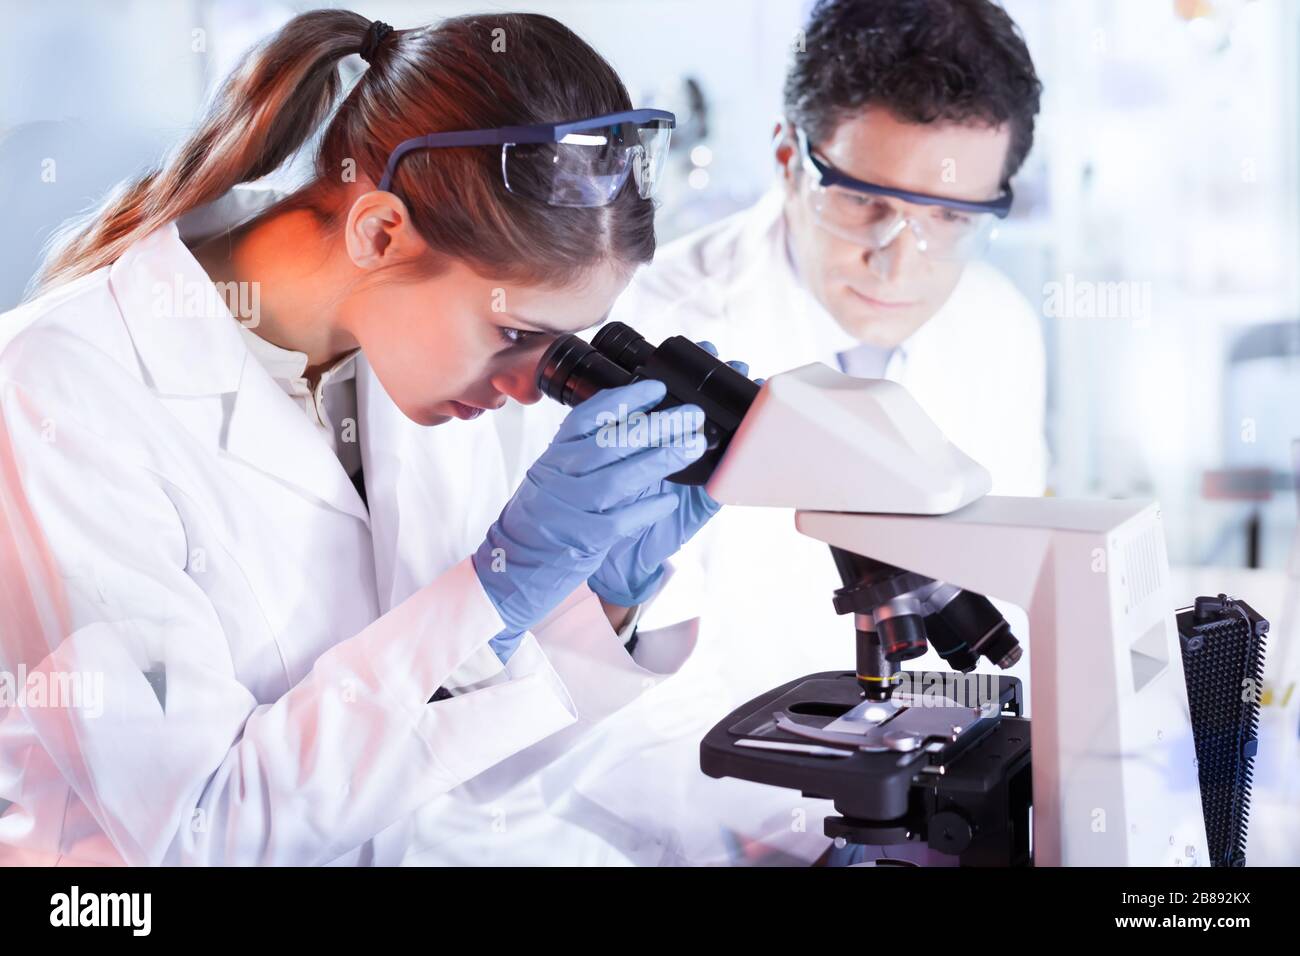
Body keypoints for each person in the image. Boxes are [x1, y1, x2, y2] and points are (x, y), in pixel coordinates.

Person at [0, 10, 735, 866]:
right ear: (380, 231)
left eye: (562, 345)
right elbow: (192, 834)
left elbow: (454, 768)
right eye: (514, 335)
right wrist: (493, 594)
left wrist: (601, 593)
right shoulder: (60, 390)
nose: (533, 385)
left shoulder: (405, 363)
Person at [388, 0, 1049, 865]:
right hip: (691, 830)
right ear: (789, 157)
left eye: (951, 219)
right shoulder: (651, 321)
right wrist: (781, 839)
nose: (901, 257)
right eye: (865, 203)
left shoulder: (1000, 328)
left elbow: (1013, 605)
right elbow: (579, 714)